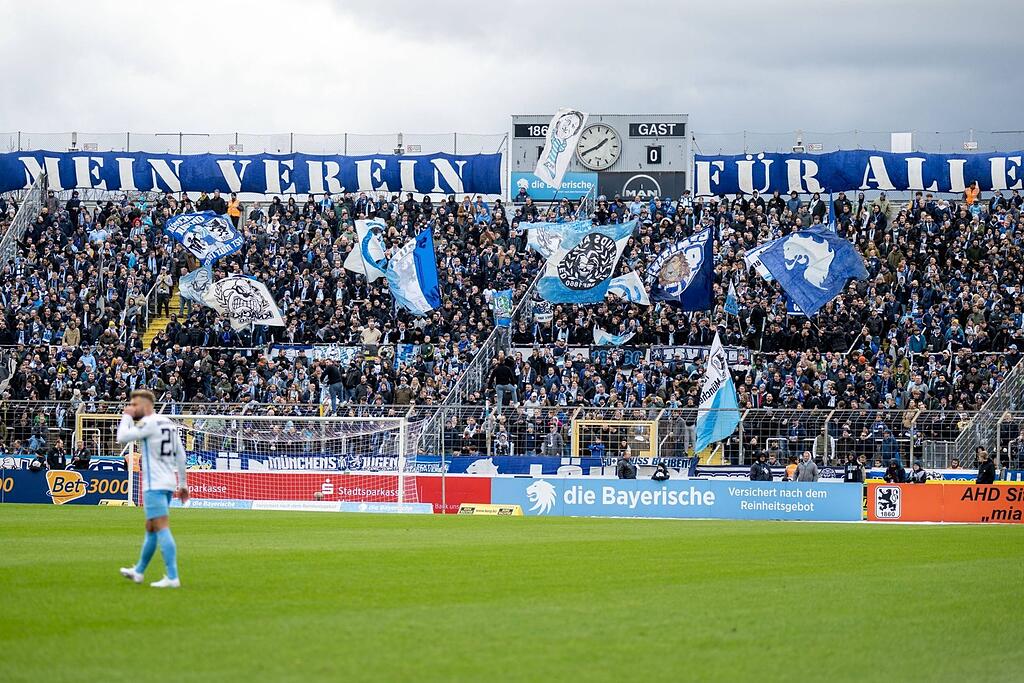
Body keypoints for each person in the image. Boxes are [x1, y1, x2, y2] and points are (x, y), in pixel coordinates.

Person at [116, 390, 189, 589]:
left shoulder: (148, 423)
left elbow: (121, 437)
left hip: (154, 484)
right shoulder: (169, 423)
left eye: (134, 404)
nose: (131, 407)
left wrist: (126, 416)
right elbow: (181, 455)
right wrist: (183, 484)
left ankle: (172, 577)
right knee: (151, 527)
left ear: (145, 405)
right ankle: (139, 571)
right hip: (168, 483)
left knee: (161, 527)